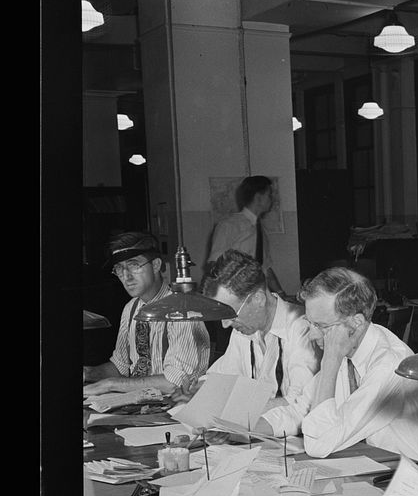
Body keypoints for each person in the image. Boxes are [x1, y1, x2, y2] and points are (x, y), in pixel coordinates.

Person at [298, 267, 418, 467]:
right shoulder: (352, 347)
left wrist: (329, 362)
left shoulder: (390, 364)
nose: (312, 335)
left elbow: (318, 444)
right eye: (309, 323)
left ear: (357, 322)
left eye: (321, 326)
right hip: (379, 464)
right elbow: (302, 407)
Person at [195, 250, 319, 436]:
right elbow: (221, 378)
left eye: (230, 314)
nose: (225, 324)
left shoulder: (302, 328)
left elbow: (301, 404)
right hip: (254, 437)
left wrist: (235, 413)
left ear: (258, 298)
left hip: (295, 442)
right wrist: (198, 389)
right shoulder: (245, 329)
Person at [82, 232, 210, 397]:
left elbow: (174, 383)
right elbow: (120, 366)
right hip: (139, 403)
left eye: (134, 265)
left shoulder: (181, 310)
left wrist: (110, 384)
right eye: (119, 268)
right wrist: (89, 373)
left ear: (156, 265)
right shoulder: (130, 308)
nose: (126, 276)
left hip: (175, 407)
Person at [205, 176, 284, 295]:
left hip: (255, 294)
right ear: (258, 197)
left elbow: (265, 268)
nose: (272, 199)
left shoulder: (259, 230)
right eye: (269, 195)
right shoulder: (229, 225)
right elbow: (214, 264)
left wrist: (281, 293)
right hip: (234, 293)